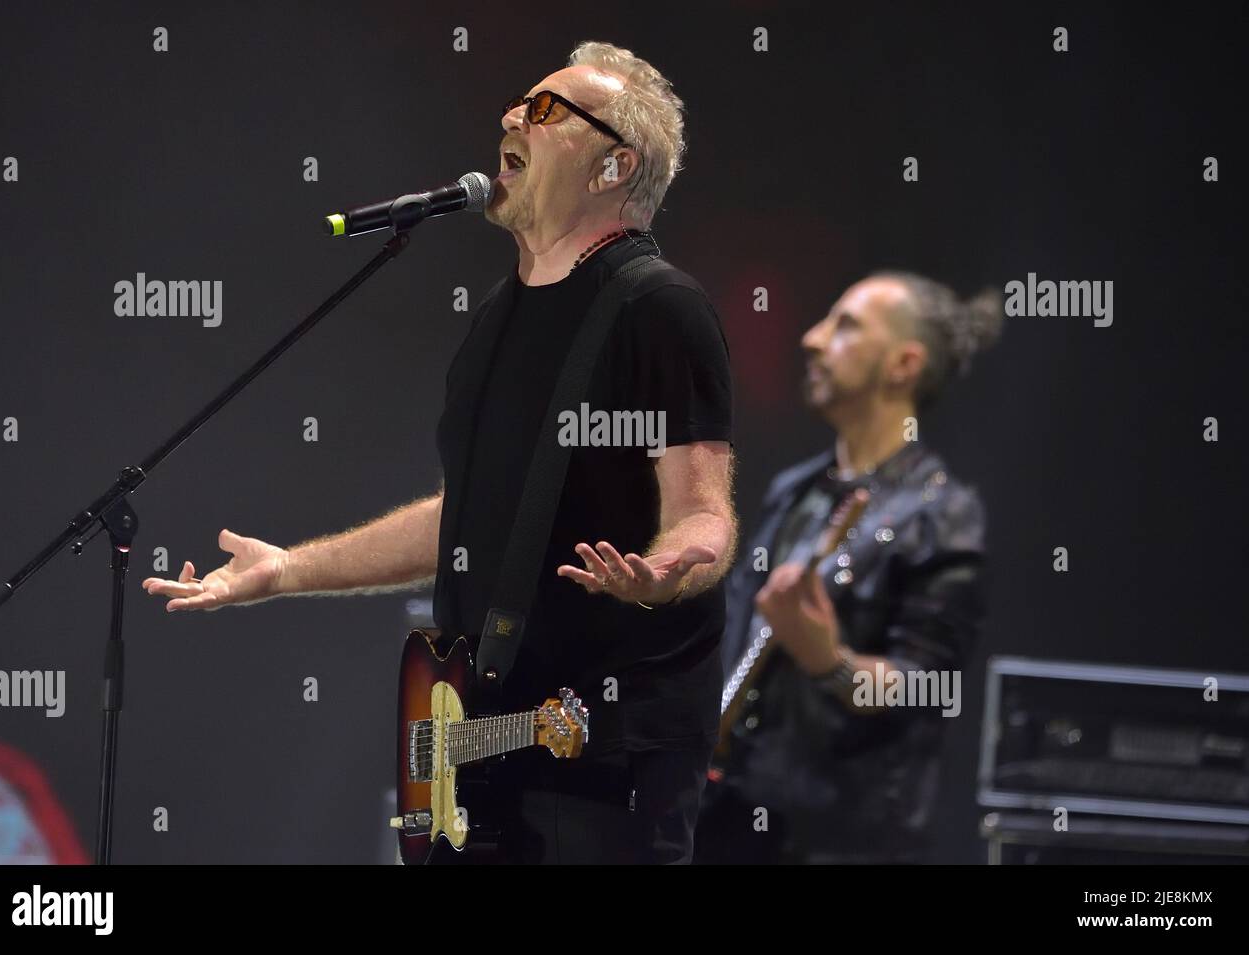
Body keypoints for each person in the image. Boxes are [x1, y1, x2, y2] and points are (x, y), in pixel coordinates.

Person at [142, 41, 736, 864]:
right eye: (519, 103)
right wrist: (285, 571)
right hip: (479, 760)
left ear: (613, 166)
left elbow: (705, 512)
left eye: (546, 110)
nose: (511, 116)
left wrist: (667, 567)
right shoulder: (497, 317)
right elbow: (469, 517)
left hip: (598, 769)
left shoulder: (658, 308)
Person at [692, 272, 1000, 864]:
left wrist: (829, 662)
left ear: (903, 365)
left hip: (843, 840)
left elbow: (926, 685)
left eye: (846, 325)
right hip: (731, 823)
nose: (811, 338)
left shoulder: (943, 516)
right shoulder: (795, 491)